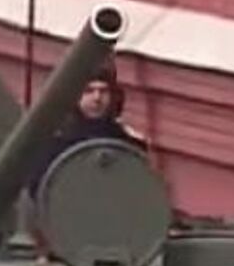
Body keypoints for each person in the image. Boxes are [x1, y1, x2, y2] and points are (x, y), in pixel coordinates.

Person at [29, 58, 147, 195]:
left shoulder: (127, 144)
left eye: (103, 91)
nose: (97, 98)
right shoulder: (56, 143)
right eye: (89, 91)